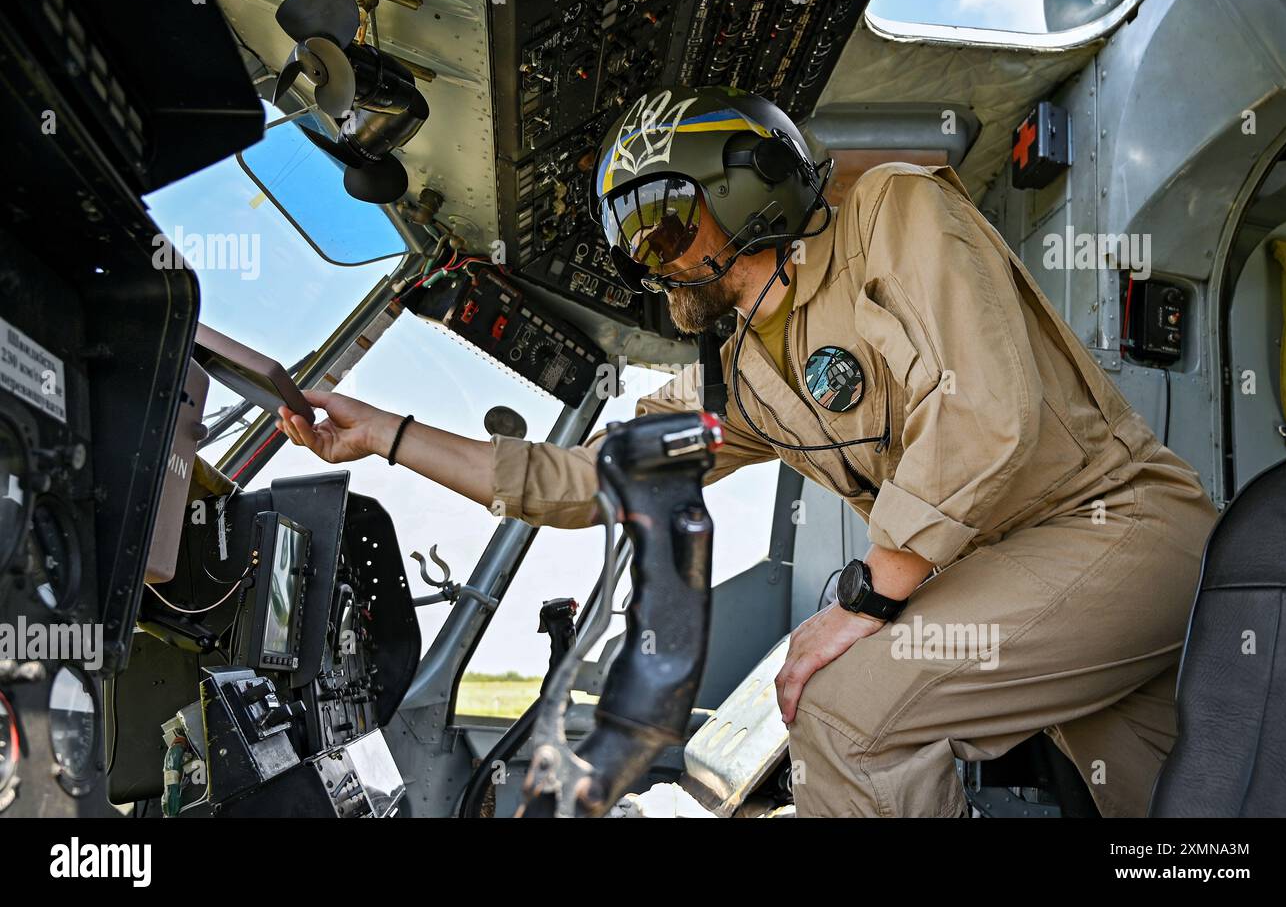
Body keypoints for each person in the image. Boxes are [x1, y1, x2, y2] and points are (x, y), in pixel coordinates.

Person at [277, 85, 1217, 817]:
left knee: (852, 713)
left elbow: (983, 411)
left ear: (741, 182)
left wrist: (868, 599)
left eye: (666, 227)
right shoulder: (748, 383)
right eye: (635, 248)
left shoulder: (893, 211)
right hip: (1037, 584)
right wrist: (386, 435)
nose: (654, 264)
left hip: (1118, 529)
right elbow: (584, 479)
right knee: (1175, 804)